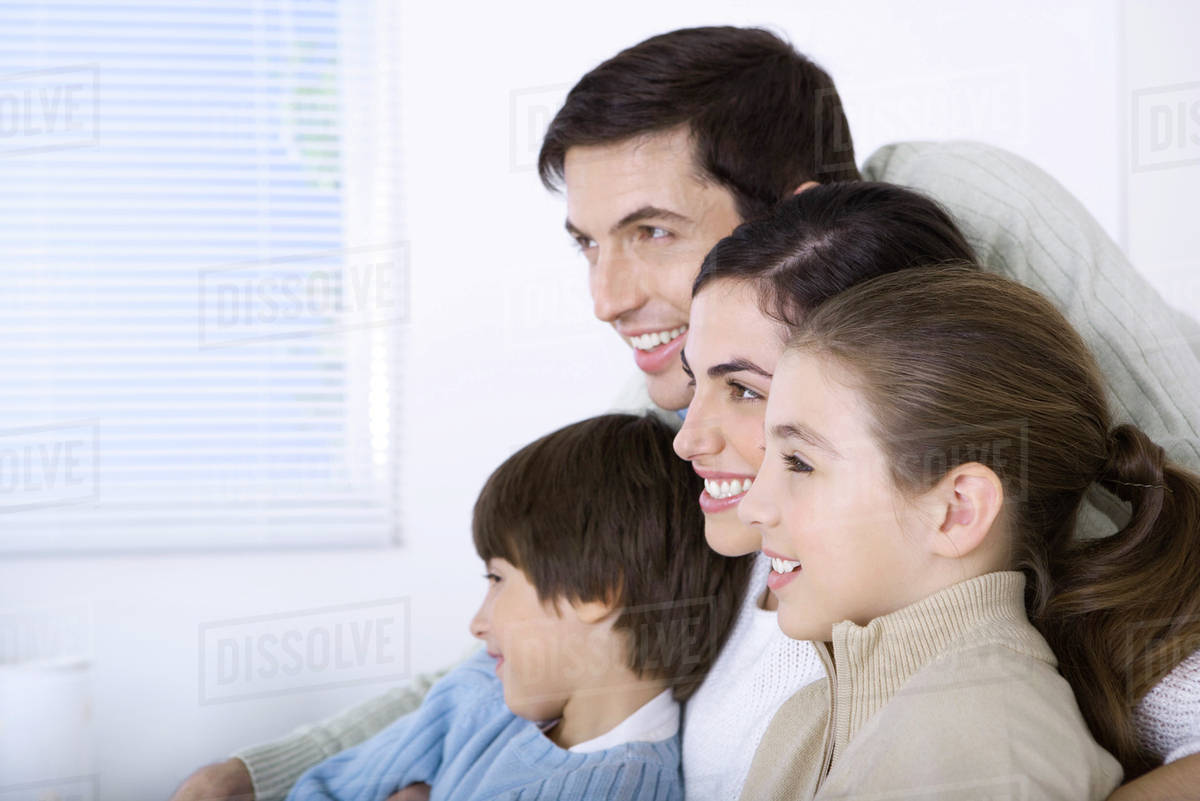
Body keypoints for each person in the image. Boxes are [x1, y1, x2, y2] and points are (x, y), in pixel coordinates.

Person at [172, 26, 1200, 801]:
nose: (606, 296)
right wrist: (275, 773)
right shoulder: (684, 438)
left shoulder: (962, 543)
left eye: (652, 231)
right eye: (585, 243)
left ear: (794, 215)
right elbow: (542, 616)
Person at [737, 263, 1200, 797]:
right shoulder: (803, 722)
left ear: (958, 509)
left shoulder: (996, 750)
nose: (753, 506)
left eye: (799, 463)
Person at [283, 413, 748, 801]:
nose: (477, 624)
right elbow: (320, 788)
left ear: (595, 591)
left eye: (497, 579)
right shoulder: (481, 690)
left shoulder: (620, 789)